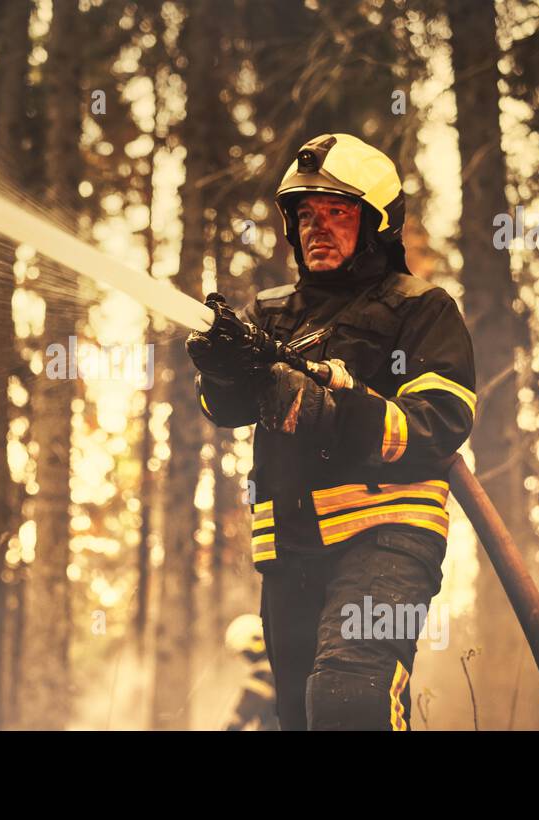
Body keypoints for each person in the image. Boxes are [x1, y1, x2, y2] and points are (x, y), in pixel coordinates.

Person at [186, 133, 476, 731]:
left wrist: (335, 409)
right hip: (287, 547)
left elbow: (439, 424)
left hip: (386, 540)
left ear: (377, 224)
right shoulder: (274, 313)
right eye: (305, 215)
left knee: (351, 700)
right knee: (296, 716)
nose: (317, 227)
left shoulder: (422, 310)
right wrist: (222, 372)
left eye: (338, 213)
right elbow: (232, 409)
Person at [222, 614, 278, 731]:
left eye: (245, 653)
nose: (246, 659)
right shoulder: (280, 665)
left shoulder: (265, 673)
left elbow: (243, 714)